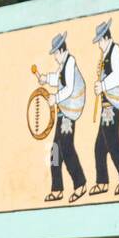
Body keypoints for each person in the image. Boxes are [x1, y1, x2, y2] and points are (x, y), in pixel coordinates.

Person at [38, 32, 88, 203]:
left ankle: (80, 183)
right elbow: (57, 79)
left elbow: (68, 88)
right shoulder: (63, 64)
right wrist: (44, 79)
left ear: (61, 51)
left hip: (69, 112)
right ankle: (57, 188)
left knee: (66, 148)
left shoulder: (70, 62)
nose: (55, 58)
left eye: (55, 54)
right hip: (63, 111)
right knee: (55, 151)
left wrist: (55, 98)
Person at [89, 18, 119, 197]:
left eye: (100, 40)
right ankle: (102, 181)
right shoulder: (105, 54)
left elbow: (118, 76)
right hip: (106, 104)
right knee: (100, 145)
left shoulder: (114, 50)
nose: (99, 44)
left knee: (111, 140)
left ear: (105, 38)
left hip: (112, 104)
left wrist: (103, 86)